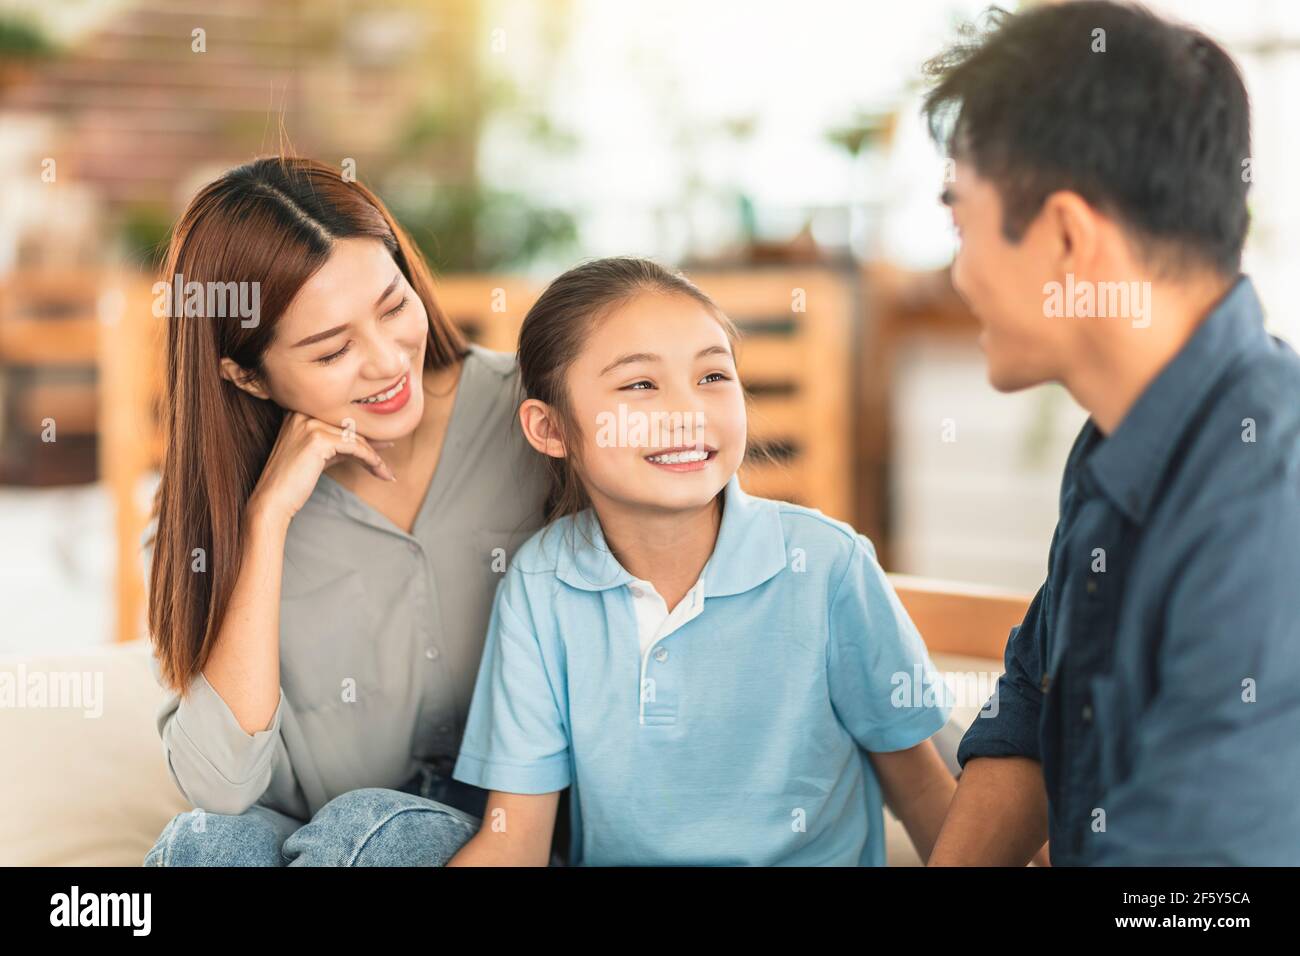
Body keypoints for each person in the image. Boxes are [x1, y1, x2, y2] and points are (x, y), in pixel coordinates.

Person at [921, 2, 1300, 865]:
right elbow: (1031, 709)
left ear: (1065, 237)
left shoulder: (1269, 493)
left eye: (961, 222)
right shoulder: (1119, 442)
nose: (957, 270)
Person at [446, 257, 957, 866]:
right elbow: (515, 840)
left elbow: (923, 787)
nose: (688, 410)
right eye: (640, 385)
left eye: (713, 376)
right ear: (551, 428)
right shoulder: (538, 583)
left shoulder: (826, 565)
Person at [142, 156, 546, 865]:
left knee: (371, 828)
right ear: (245, 374)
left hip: (483, 837)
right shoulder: (209, 514)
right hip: (305, 846)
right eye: (332, 350)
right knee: (208, 844)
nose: (390, 361)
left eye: (394, 306)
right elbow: (221, 787)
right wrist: (265, 522)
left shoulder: (533, 418)